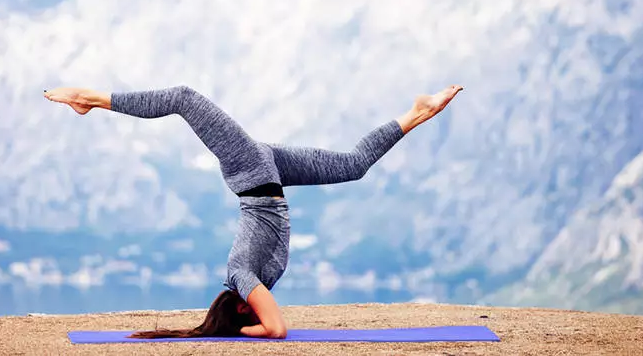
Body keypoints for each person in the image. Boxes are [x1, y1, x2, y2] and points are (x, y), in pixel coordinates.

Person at [44, 83, 463, 338]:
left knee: (184, 98)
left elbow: (276, 330)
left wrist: (249, 332)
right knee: (352, 166)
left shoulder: (240, 275)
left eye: (251, 306)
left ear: (242, 305)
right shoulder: (255, 276)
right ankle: (418, 112)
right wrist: (242, 330)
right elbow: (273, 323)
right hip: (268, 174)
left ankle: (90, 99)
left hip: (251, 171)